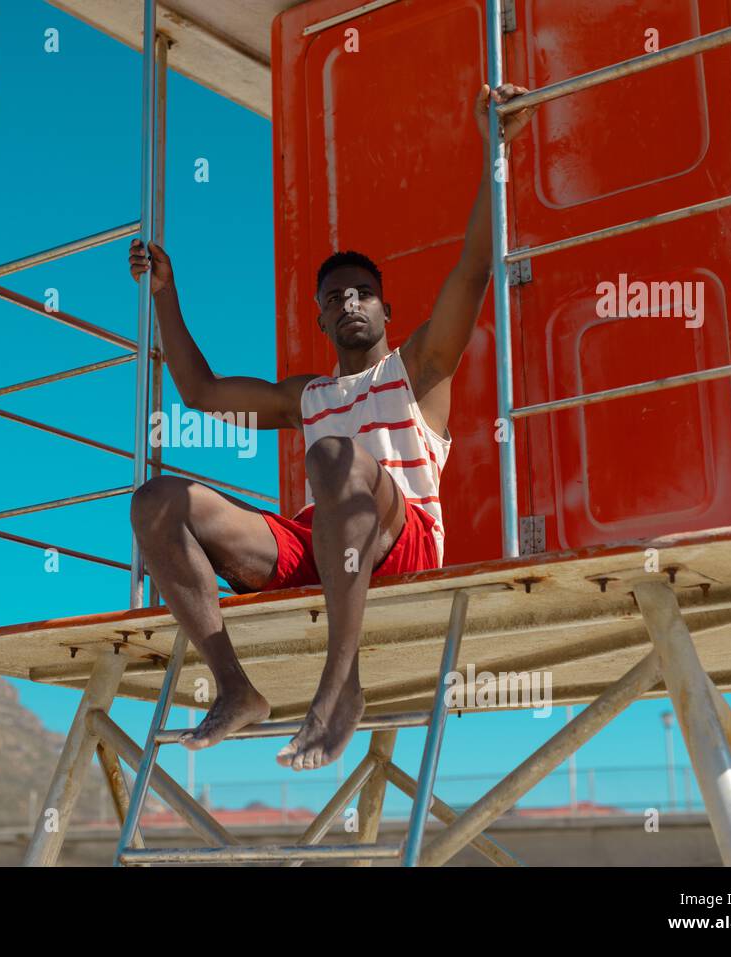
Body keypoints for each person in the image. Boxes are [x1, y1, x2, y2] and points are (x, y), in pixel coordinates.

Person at [127, 83, 537, 771]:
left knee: (337, 459)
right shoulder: (304, 396)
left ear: (383, 308)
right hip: (319, 543)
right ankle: (234, 686)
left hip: (398, 540)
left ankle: (341, 684)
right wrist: (165, 294)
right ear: (321, 318)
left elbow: (473, 267)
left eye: (363, 293)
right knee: (156, 501)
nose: (349, 300)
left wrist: (497, 148)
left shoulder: (420, 368)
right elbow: (199, 393)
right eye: (335, 296)